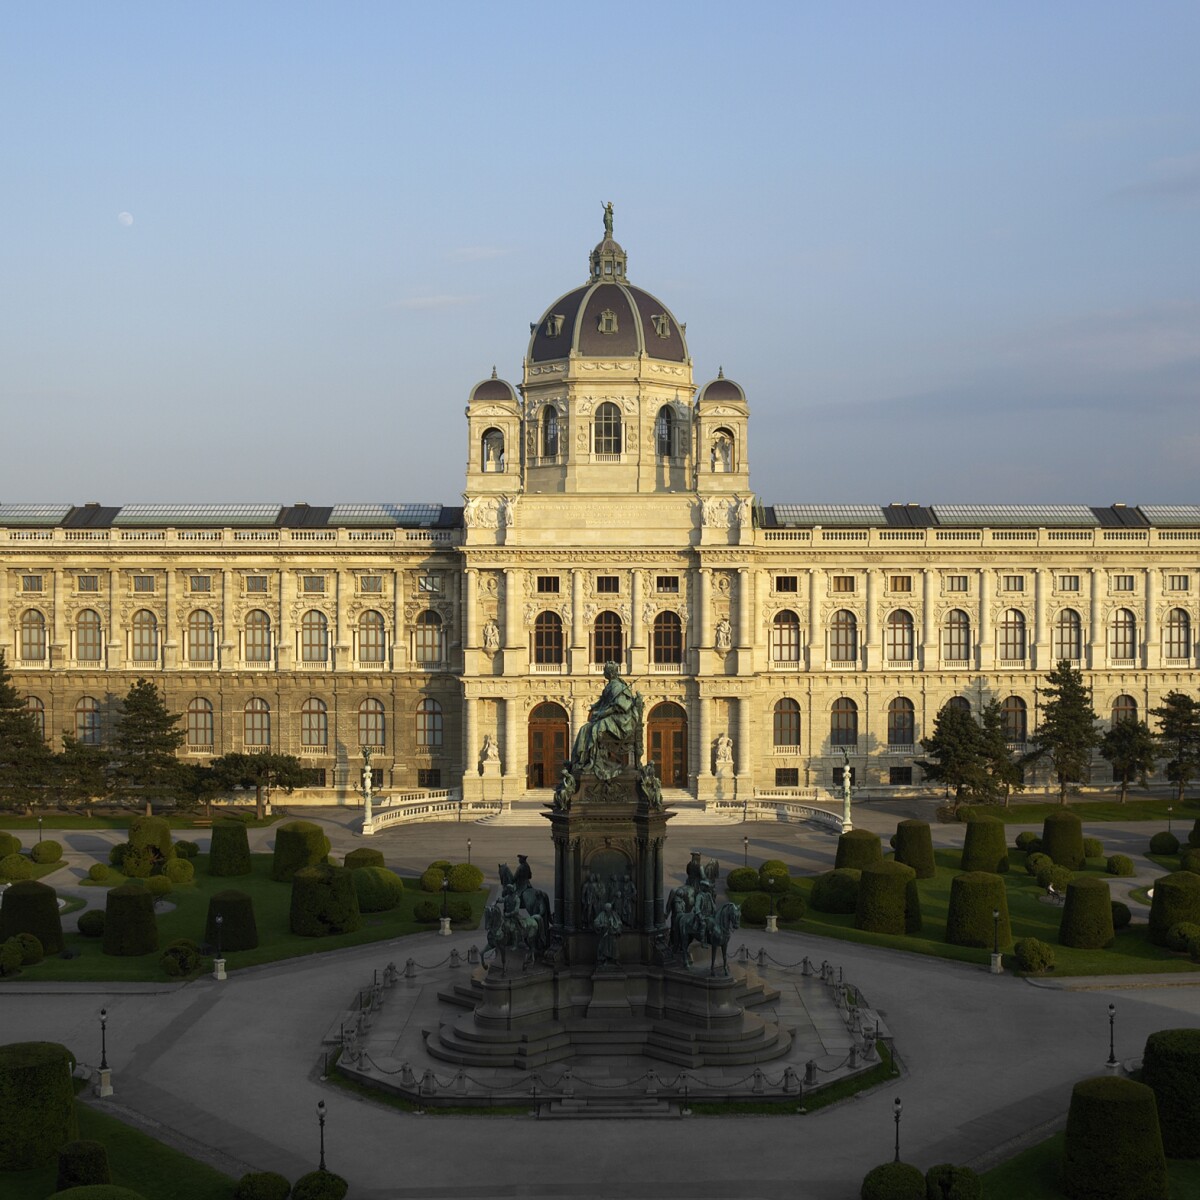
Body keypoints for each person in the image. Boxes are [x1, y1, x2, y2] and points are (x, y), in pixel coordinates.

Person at [570, 662, 636, 778]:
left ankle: (593, 761)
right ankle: (583, 760)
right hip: (612, 717)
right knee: (584, 729)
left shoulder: (618, 686)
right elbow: (603, 701)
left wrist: (601, 713)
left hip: (620, 720)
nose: (603, 672)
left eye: (605, 671)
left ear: (610, 673)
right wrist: (594, 706)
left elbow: (619, 706)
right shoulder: (610, 686)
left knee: (596, 728)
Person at [593, 902, 622, 966]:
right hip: (605, 934)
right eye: (607, 909)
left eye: (609, 908)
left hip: (613, 934)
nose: (608, 910)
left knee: (615, 948)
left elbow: (619, 922)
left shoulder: (614, 914)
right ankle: (605, 960)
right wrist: (601, 925)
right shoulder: (602, 914)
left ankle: (616, 960)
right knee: (605, 947)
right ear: (605, 909)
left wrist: (618, 929)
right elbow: (596, 922)